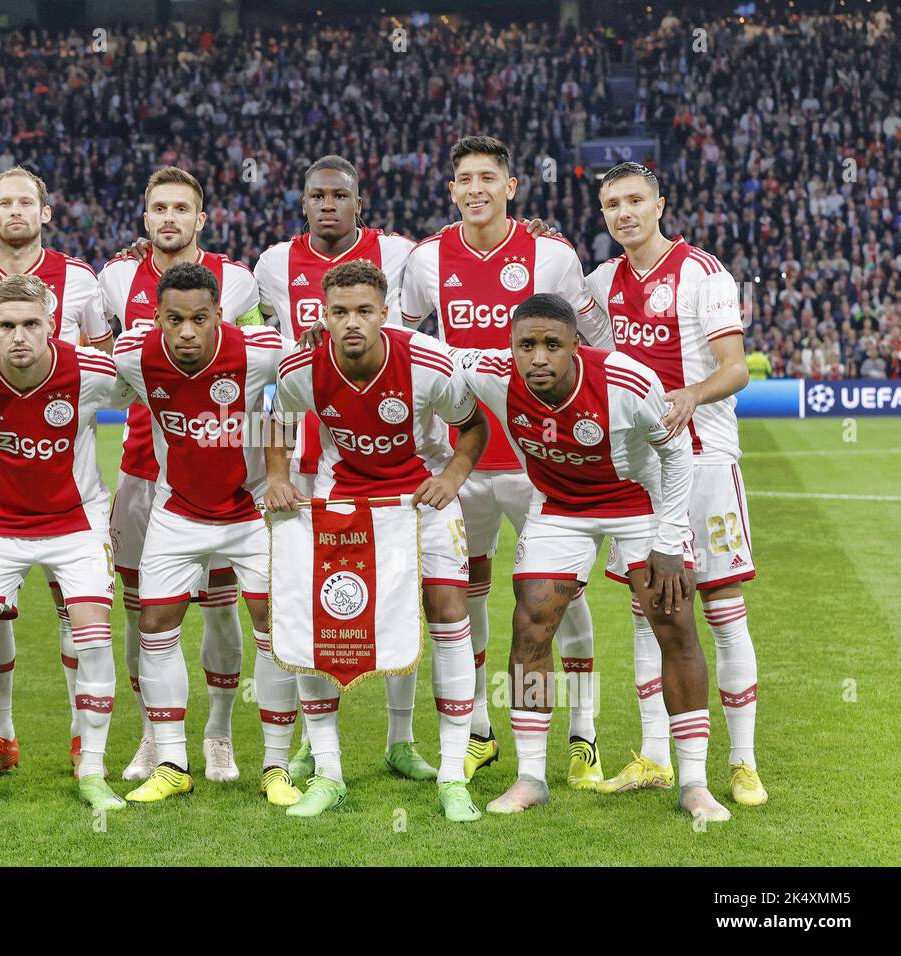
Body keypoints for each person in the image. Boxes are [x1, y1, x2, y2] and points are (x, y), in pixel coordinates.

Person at [455, 293, 730, 823]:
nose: (537, 358)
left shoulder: (626, 381)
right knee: (530, 623)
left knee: (673, 623)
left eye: (552, 345)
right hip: (559, 506)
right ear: (510, 347)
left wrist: (669, 542)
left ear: (576, 346)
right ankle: (531, 776)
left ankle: (694, 782)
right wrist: (322, 339)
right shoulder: (490, 371)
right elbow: (425, 351)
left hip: (639, 501)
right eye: (526, 345)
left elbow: (675, 454)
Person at [400, 135, 613, 788]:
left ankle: (584, 735)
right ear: (451, 189)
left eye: (487, 177)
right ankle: (478, 736)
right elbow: (405, 344)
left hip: (537, 462)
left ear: (511, 186)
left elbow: (596, 341)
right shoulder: (427, 259)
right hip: (461, 458)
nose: (474, 189)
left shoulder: (552, 255)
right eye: (463, 178)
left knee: (560, 599)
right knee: (462, 598)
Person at [268, 261, 490, 821]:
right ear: (323, 314)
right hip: (342, 503)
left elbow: (474, 426)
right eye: (339, 312)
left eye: (364, 311)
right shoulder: (300, 367)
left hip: (421, 502)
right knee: (323, 625)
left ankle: (450, 773)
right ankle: (329, 771)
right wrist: (276, 476)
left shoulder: (425, 361)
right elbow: (274, 420)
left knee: (445, 615)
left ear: (385, 313)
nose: (352, 323)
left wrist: (452, 477)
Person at [587, 162, 767, 807]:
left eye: (635, 200)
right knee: (647, 614)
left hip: (707, 461)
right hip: (641, 469)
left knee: (720, 611)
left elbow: (736, 368)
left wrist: (690, 394)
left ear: (660, 204)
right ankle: (655, 756)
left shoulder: (702, 271)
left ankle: (742, 762)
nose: (624, 212)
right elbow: (560, 318)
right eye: (611, 204)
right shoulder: (603, 281)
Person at [0, 166, 115, 779]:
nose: (15, 210)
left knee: (76, 613)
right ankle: (1, 734)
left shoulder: (83, 282)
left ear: (46, 211)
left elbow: (107, 360)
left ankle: (81, 745)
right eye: (3, 202)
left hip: (68, 453)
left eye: (26, 202)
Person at [111, 262, 303, 807]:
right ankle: (171, 760)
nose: (189, 331)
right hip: (177, 511)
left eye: (201, 318)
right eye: (175, 320)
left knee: (273, 626)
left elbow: (287, 399)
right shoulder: (134, 355)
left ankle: (275, 765)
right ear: (157, 318)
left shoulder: (261, 350)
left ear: (219, 313)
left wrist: (277, 473)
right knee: (155, 624)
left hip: (249, 511)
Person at [100, 167, 262, 784]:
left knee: (222, 610)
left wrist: (268, 459)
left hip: (221, 472)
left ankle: (219, 734)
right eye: (158, 208)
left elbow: (264, 379)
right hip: (144, 472)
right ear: (145, 219)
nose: (169, 218)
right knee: (144, 612)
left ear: (201, 218)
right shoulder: (115, 277)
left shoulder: (239, 282)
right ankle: (153, 735)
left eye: (181, 208)